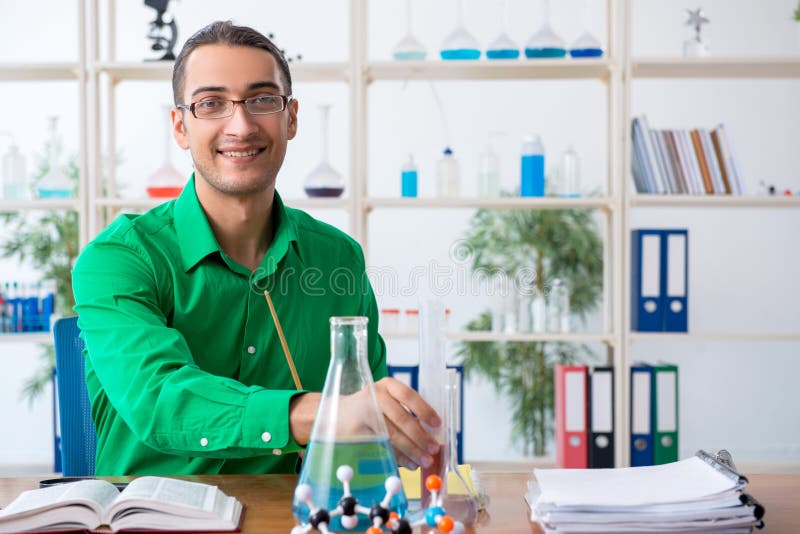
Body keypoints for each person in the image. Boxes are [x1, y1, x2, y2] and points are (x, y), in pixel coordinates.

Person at [72, 20, 441, 476]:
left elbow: (366, 424)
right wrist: (316, 415)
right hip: (148, 518)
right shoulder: (119, 259)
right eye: (211, 104)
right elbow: (159, 398)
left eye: (262, 100)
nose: (240, 125)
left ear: (291, 118)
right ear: (180, 127)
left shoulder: (338, 258)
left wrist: (405, 436)